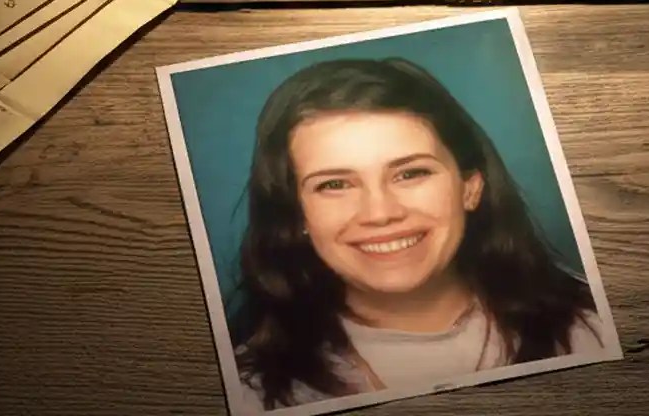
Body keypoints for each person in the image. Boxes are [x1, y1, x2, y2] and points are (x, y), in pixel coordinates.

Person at [227, 57, 605, 411]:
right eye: (335, 184)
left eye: (410, 174)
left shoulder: (594, 325)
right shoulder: (248, 392)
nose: (381, 213)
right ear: (297, 216)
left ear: (469, 188)